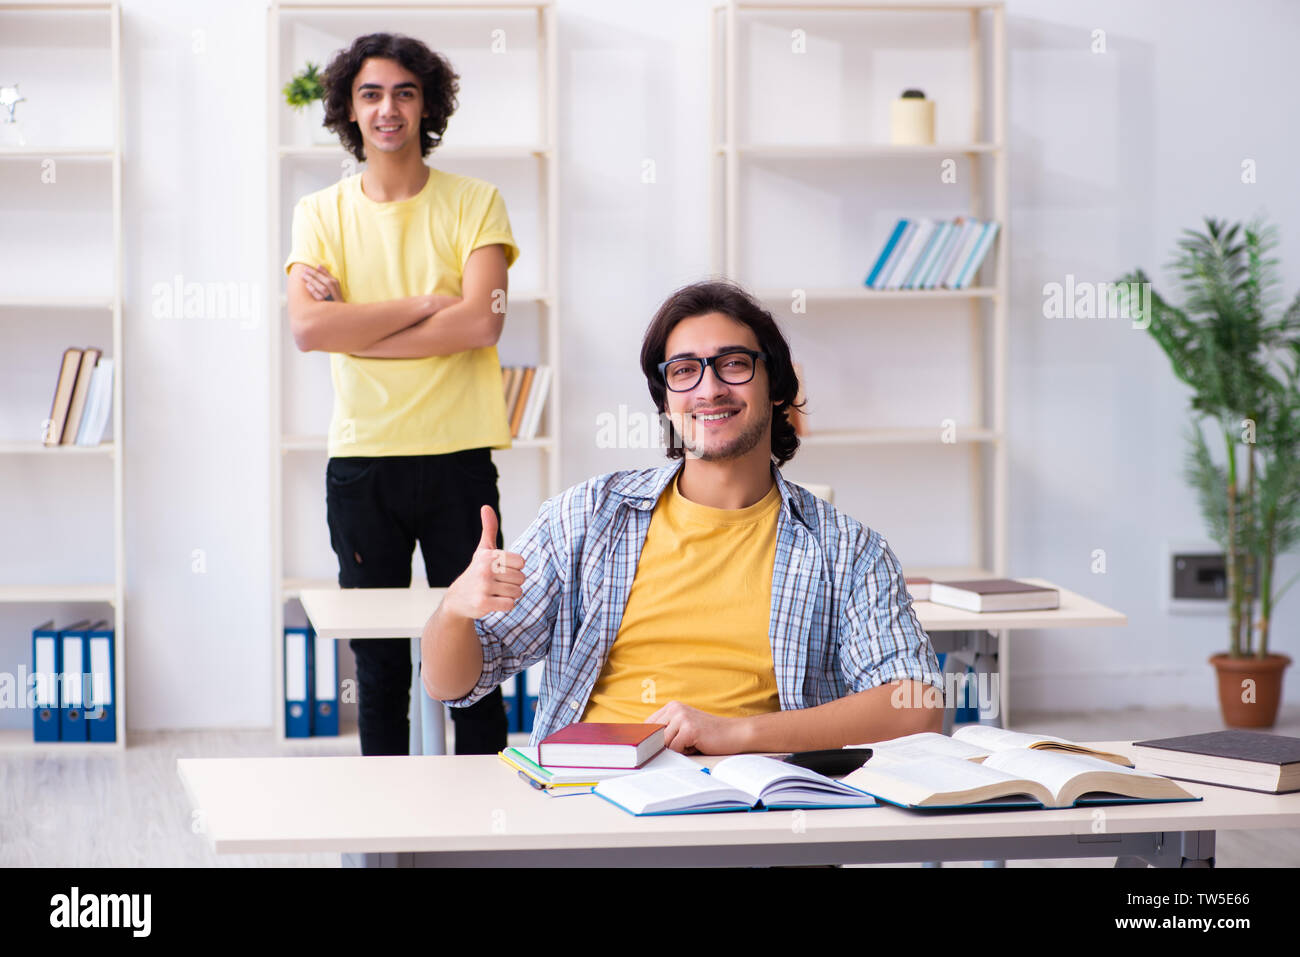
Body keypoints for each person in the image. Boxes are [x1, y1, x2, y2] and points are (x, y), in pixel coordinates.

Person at [422, 280, 945, 754]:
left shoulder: (848, 549)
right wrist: (454, 611)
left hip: (759, 807)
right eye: (684, 370)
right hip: (594, 800)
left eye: (734, 364)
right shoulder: (585, 516)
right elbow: (454, 684)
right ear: (667, 400)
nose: (709, 388)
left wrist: (735, 734)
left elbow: (916, 704)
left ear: (777, 385)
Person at [284, 33, 514, 756]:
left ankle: (486, 829)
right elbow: (310, 327)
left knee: (475, 649)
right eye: (371, 93)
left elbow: (482, 319)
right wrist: (423, 303)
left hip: (459, 461)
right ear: (348, 110)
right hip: (363, 463)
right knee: (380, 664)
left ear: (427, 105)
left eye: (405, 92)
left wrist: (360, 325)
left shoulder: (476, 202)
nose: (389, 109)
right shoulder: (318, 212)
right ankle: (387, 838)